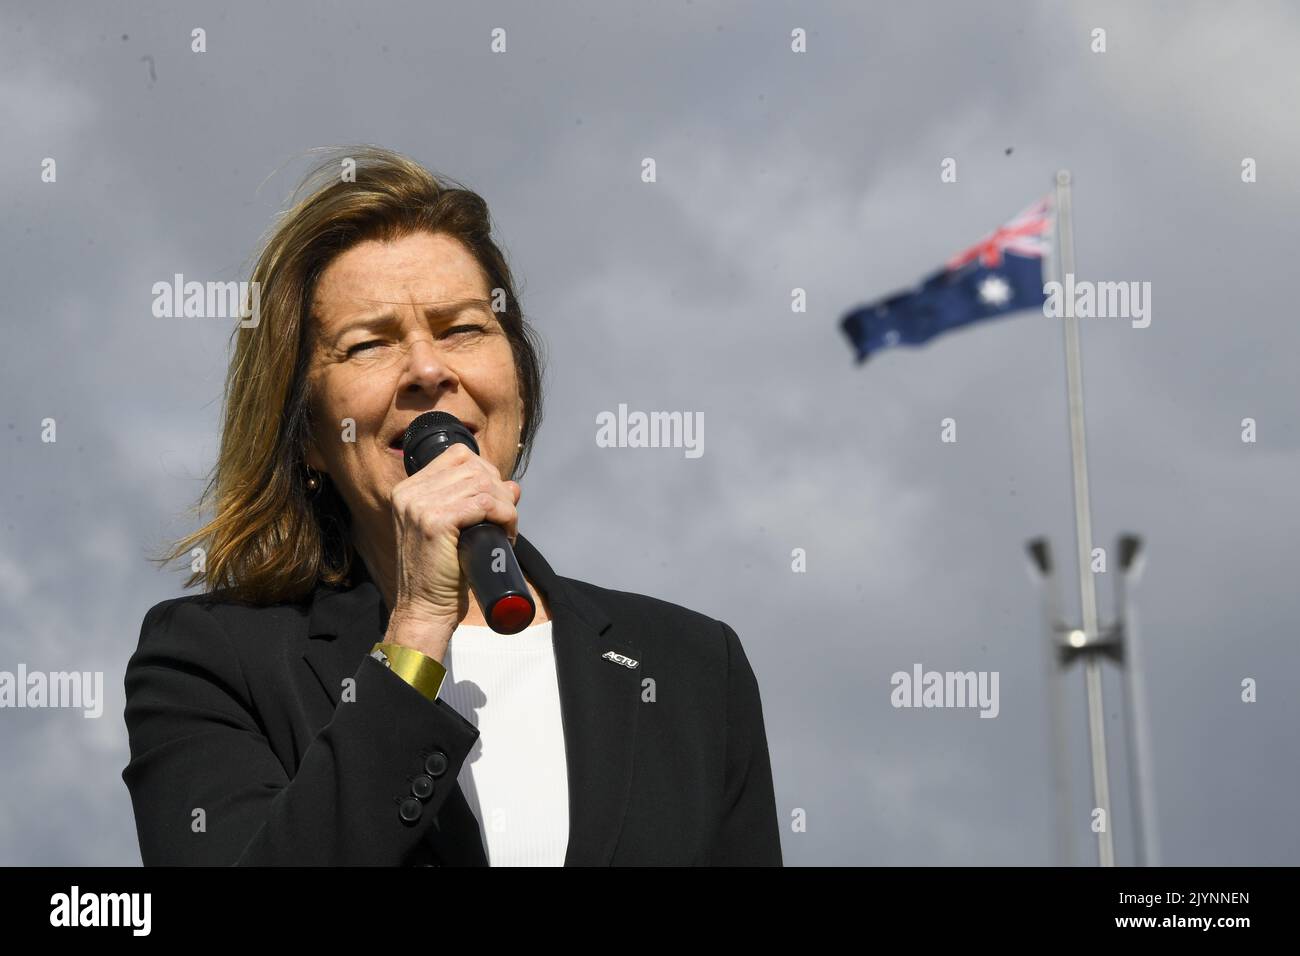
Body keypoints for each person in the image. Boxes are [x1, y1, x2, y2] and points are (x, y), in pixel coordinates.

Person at [122, 146, 782, 866]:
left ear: (518, 385)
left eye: (464, 329)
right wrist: (415, 632)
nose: (430, 370)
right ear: (308, 435)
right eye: (369, 343)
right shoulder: (211, 661)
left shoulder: (690, 667)